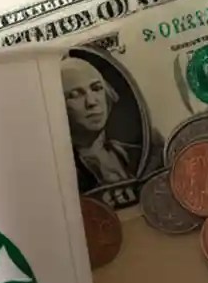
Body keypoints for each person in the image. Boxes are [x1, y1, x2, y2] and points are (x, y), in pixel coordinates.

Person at [62, 55, 164, 192]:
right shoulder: (65, 178)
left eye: (96, 88)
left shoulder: (147, 150)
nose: (91, 102)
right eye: (75, 95)